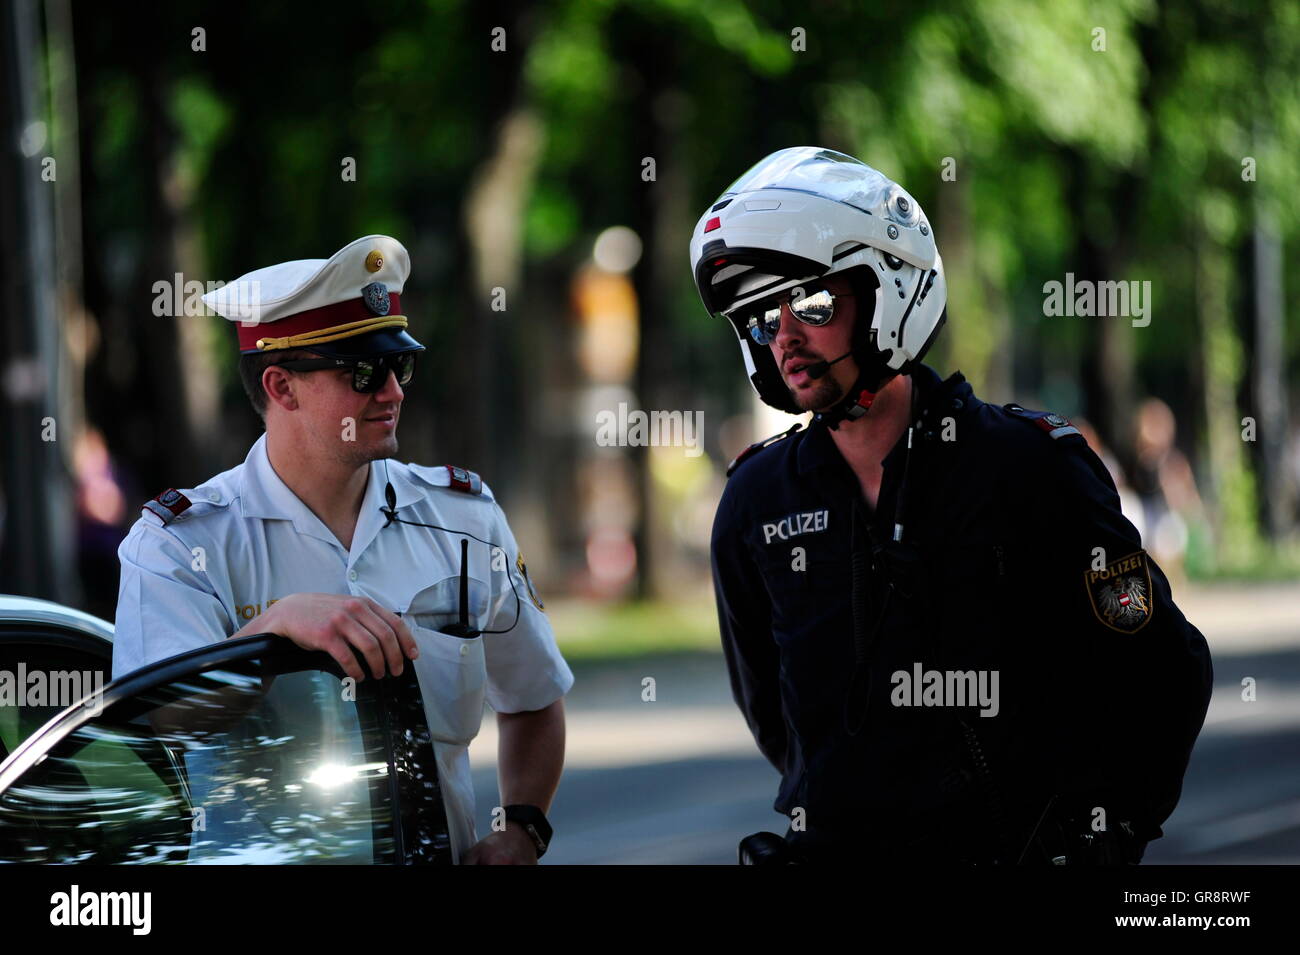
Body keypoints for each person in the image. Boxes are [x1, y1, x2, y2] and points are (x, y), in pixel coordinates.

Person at [691, 147, 1213, 864]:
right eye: (759, 316)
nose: (783, 335)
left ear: (888, 290)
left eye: (809, 303)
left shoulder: (1029, 468)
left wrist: (1113, 830)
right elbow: (777, 723)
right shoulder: (754, 503)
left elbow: (1163, 666)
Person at [113, 235, 573, 864]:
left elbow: (534, 696)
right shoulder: (178, 544)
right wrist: (272, 635)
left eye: (400, 366)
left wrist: (523, 830)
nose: (393, 392)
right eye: (362, 372)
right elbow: (160, 726)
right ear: (282, 387)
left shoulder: (464, 518)